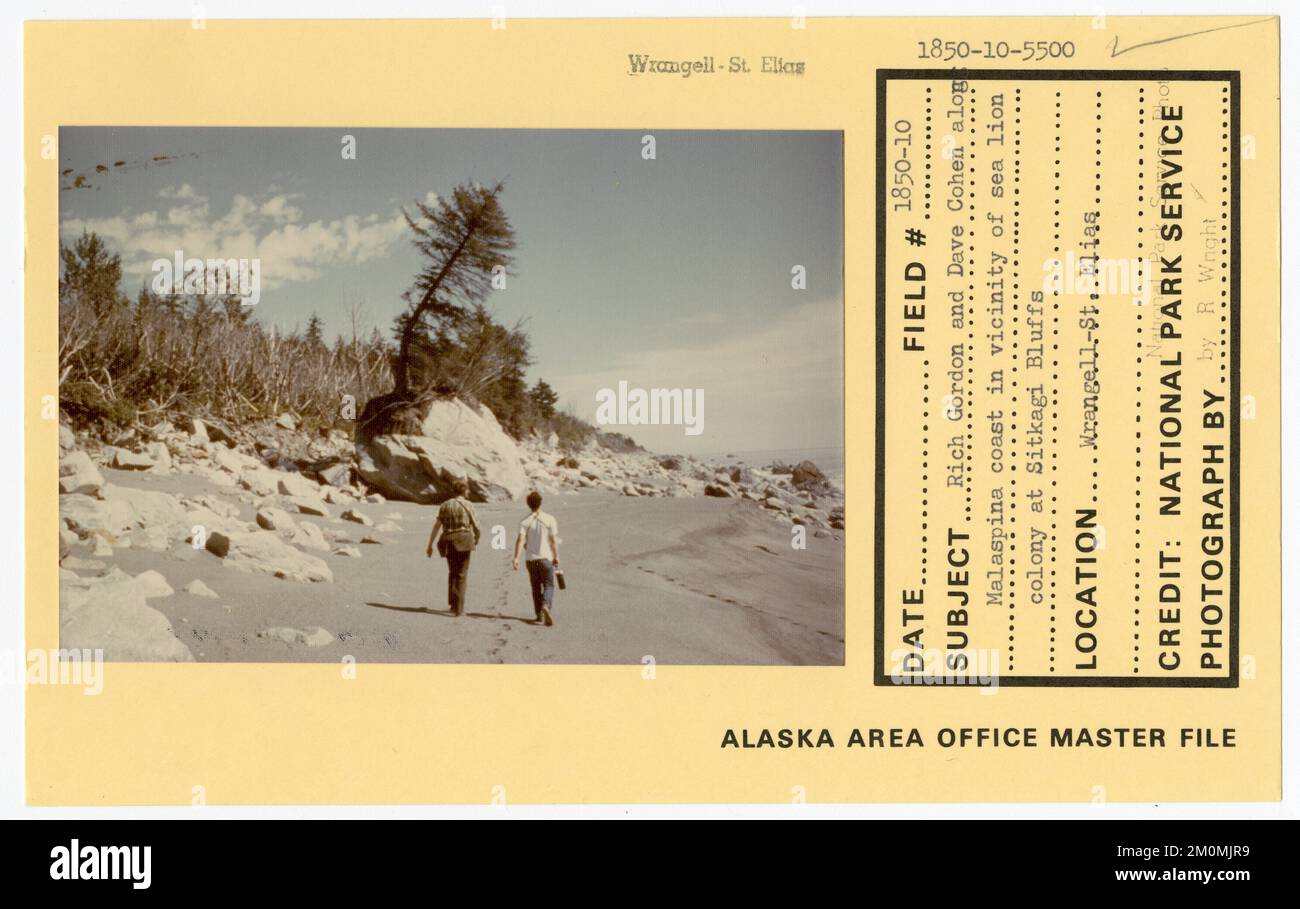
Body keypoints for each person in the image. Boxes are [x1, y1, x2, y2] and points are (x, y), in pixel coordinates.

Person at [426, 478, 481, 616]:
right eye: (467, 490)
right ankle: (459, 609)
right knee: (461, 574)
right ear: (464, 491)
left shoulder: (445, 505)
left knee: (452, 572)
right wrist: (477, 538)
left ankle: (452, 604)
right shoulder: (468, 505)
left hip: (448, 540)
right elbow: (477, 526)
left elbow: (437, 526)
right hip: (464, 540)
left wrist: (430, 544)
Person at [512, 490, 560, 626]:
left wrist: (516, 558)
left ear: (528, 504)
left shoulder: (525, 521)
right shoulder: (550, 519)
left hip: (531, 560)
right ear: (540, 502)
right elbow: (553, 540)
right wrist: (556, 557)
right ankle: (546, 605)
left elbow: (520, 540)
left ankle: (539, 615)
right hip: (546, 558)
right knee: (549, 585)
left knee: (535, 587)